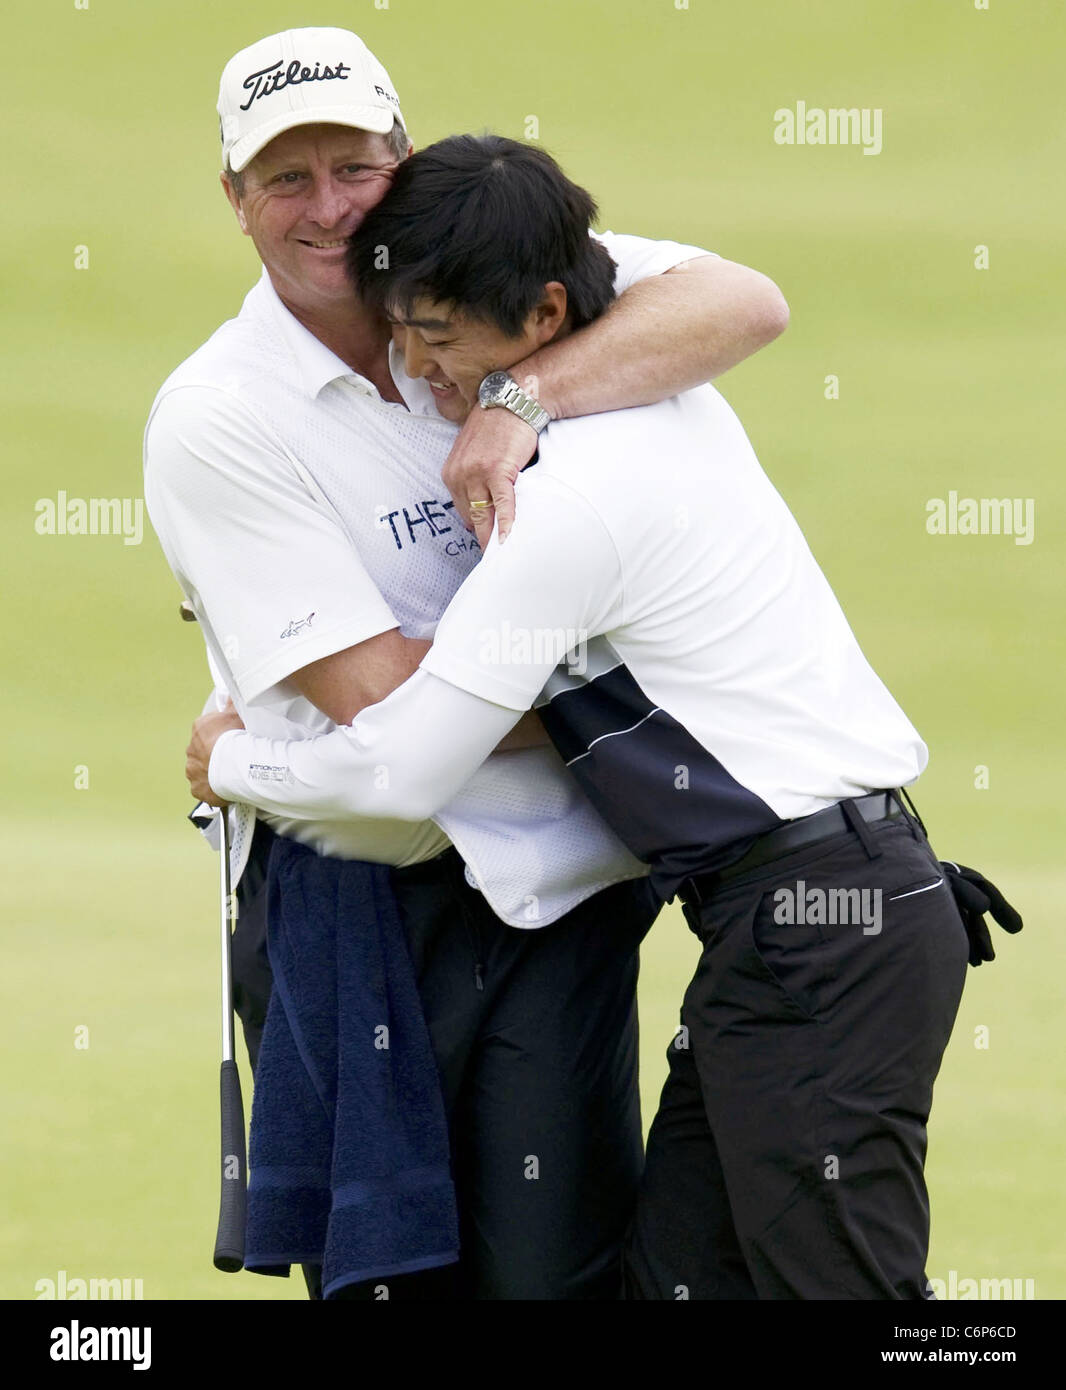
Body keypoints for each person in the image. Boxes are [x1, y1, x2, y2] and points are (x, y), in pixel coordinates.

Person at [186, 132, 1019, 1300]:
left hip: (826, 930)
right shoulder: (636, 381)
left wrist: (237, 761)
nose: (418, 370)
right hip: (789, 926)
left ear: (543, 313)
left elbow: (402, 771)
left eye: (438, 337)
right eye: (403, 331)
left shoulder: (567, 504)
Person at [145, 27, 789, 1300]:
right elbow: (385, 706)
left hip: (559, 885)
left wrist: (518, 399)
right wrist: (641, 670)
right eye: (285, 178)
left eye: (355, 165)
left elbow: (741, 302)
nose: (328, 208)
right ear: (233, 200)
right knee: (402, 1287)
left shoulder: (477, 268)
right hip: (365, 899)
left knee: (558, 1279)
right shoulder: (218, 417)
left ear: (407, 157)